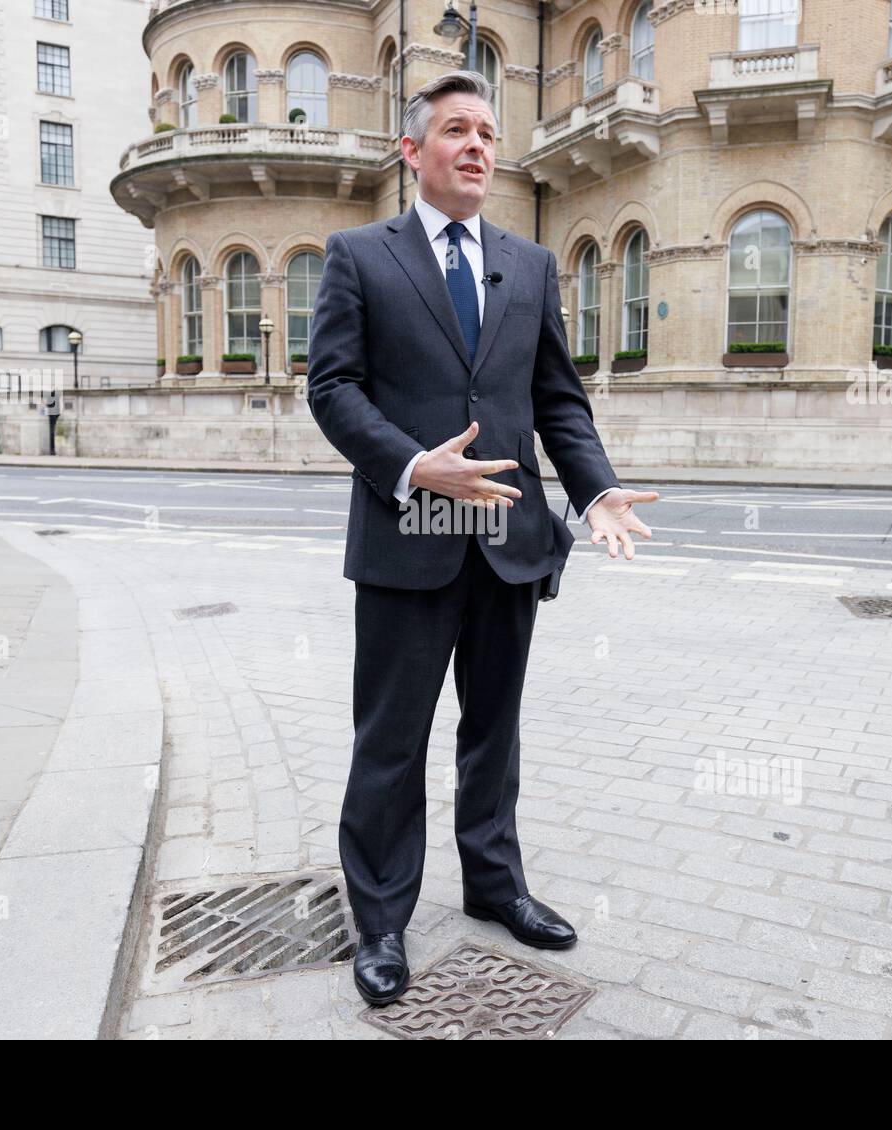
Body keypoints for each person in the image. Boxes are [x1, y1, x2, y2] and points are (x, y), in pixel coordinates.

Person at [306, 69, 658, 1005]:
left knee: (492, 734)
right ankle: (380, 920)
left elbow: (555, 400)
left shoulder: (529, 264)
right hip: (409, 532)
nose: (476, 146)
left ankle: (495, 887)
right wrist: (415, 465)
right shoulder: (358, 255)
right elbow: (332, 390)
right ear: (411, 151)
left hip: (507, 541)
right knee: (391, 741)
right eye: (456, 130)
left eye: (488, 133)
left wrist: (597, 493)